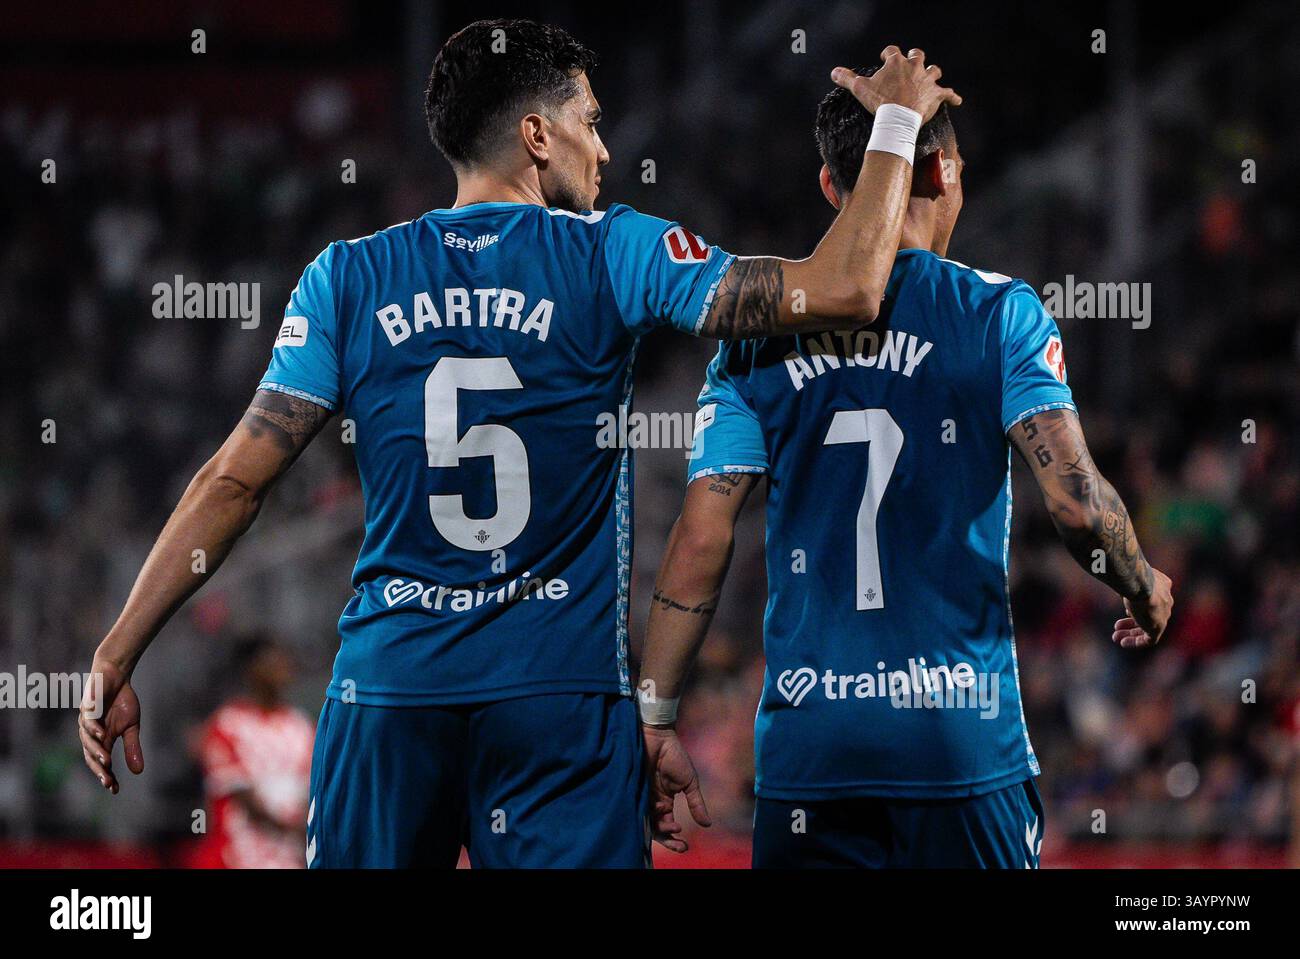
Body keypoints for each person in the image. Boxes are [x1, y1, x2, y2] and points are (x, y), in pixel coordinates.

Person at [78, 20, 960, 867]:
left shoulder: (346, 277)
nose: (605, 150)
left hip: (390, 695)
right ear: (537, 135)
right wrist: (894, 125)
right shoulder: (614, 253)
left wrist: (119, 650)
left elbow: (234, 483)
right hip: (558, 705)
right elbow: (846, 289)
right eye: (590, 122)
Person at [638, 67, 1175, 868]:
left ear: (830, 185)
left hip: (812, 751)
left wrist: (656, 712)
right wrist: (1143, 583)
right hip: (957, 744)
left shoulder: (753, 340)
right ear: (948, 171)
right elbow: (1075, 504)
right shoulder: (1000, 313)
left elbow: (699, 541)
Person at [190, 635, 313, 869]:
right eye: (271, 660)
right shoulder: (228, 724)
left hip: (289, 859)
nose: (281, 666)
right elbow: (242, 797)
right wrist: (296, 829)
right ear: (250, 669)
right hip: (235, 857)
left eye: (283, 659)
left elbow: (310, 789)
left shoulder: (301, 726)